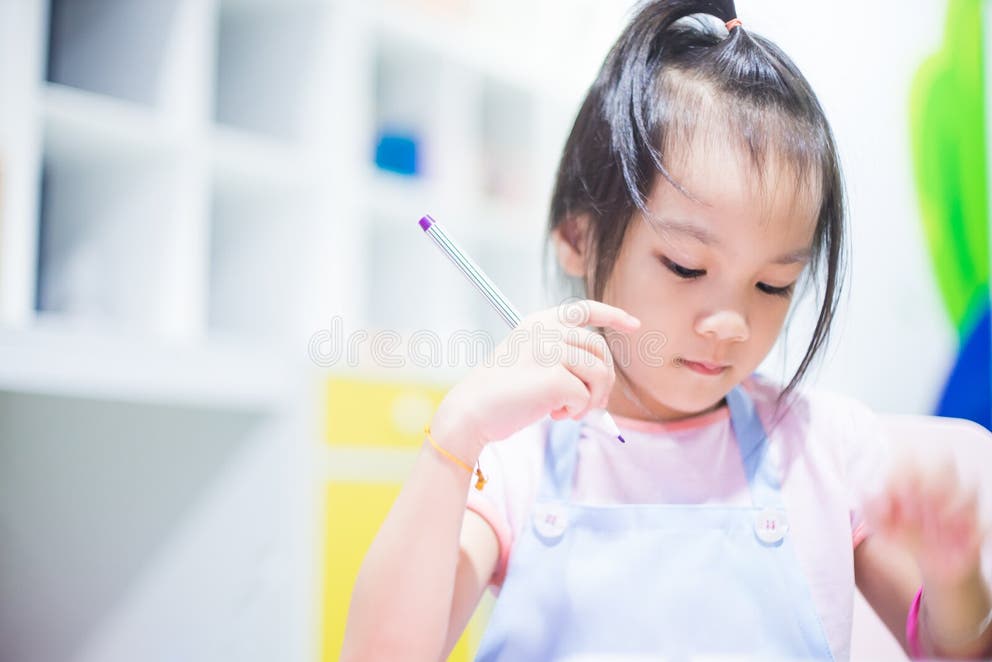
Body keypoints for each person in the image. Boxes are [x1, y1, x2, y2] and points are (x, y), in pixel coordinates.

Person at [342, 1, 992, 659]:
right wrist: (455, 437)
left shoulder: (822, 449)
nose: (731, 324)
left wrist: (956, 582)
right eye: (686, 267)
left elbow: (957, 649)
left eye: (774, 285)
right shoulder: (515, 457)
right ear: (578, 237)